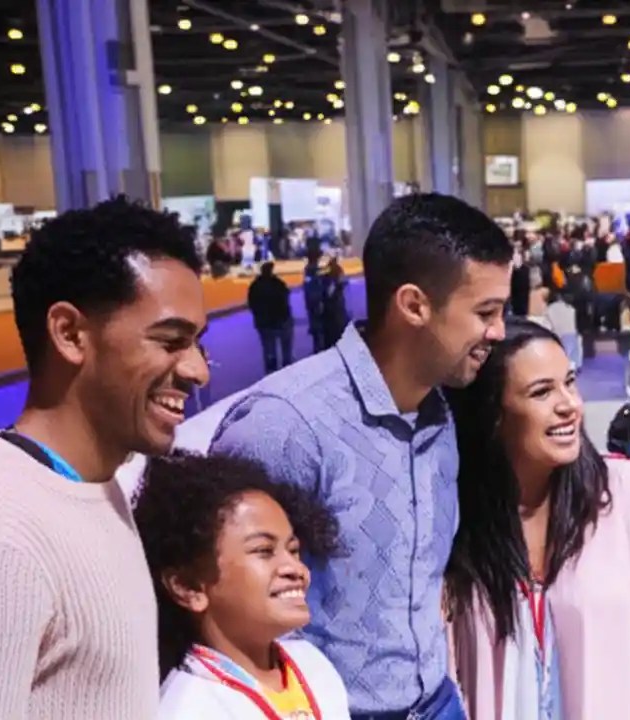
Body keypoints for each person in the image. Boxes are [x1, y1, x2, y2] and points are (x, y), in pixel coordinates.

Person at [210, 192, 514, 720]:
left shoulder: (440, 416)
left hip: (438, 701)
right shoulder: (284, 425)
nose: (499, 331)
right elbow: (220, 610)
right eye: (485, 312)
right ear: (414, 305)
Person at [446, 318, 630, 720]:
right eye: (542, 391)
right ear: (492, 416)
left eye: (569, 382)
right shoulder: (456, 523)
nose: (570, 405)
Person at [0, 196, 210, 718]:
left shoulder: (100, 487)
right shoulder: (8, 533)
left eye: (197, 343)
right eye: (170, 341)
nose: (198, 371)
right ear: (70, 334)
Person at [132, 451, 350, 720]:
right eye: (264, 550)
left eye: (293, 550)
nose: (296, 569)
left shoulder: (313, 666)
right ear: (189, 587)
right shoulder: (187, 707)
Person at [248, 261, 295, 373]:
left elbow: (252, 304)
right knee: (286, 350)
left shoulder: (255, 286)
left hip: (265, 324)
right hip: (281, 321)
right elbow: (285, 298)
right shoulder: (278, 284)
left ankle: (271, 373)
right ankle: (287, 371)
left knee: (269, 351)